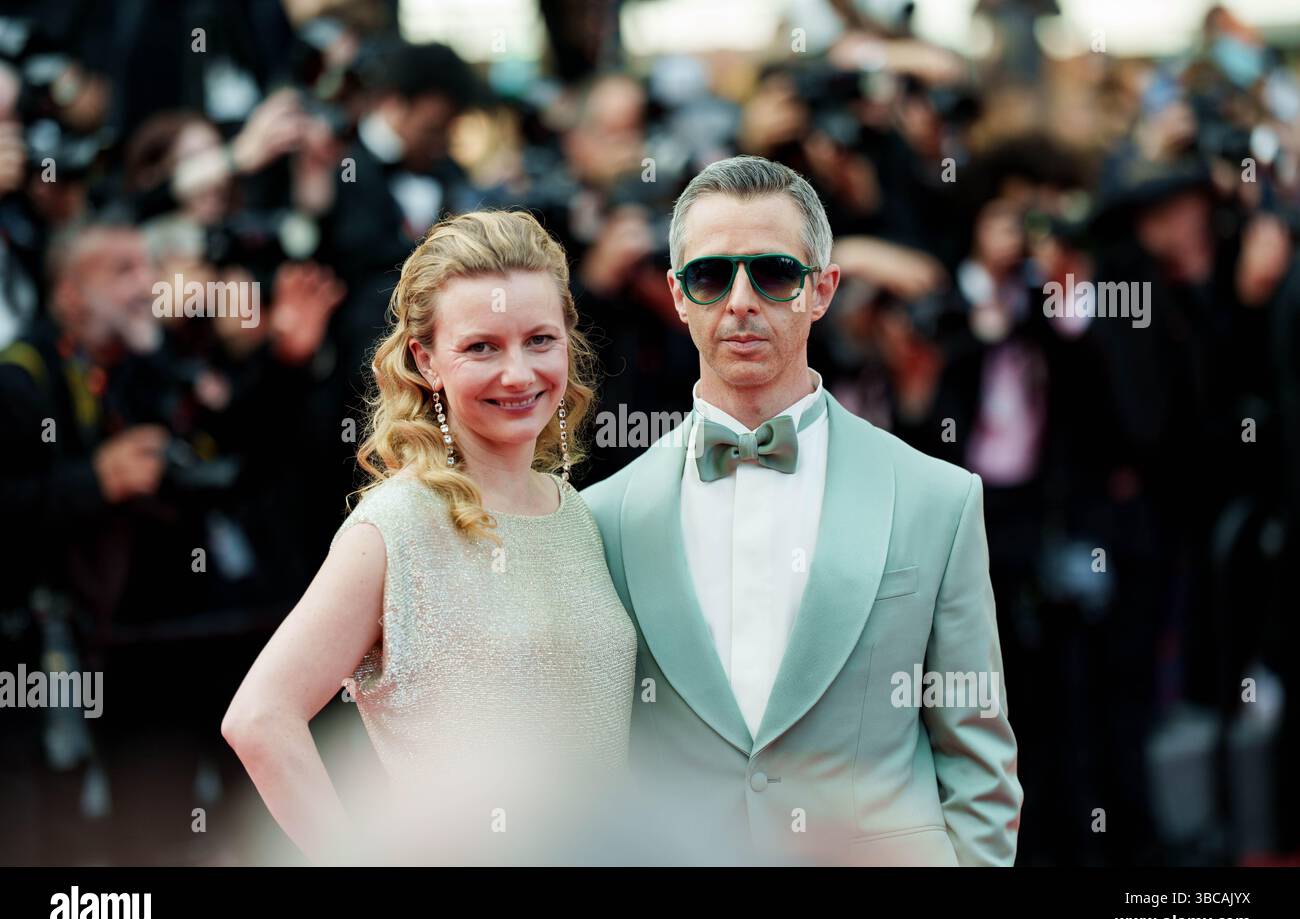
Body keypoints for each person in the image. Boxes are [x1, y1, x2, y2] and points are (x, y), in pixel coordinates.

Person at [581, 155, 1023, 865]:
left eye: (775, 273)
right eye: (711, 275)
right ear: (677, 295)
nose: (742, 300)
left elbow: (978, 756)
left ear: (822, 291)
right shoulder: (600, 518)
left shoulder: (936, 498)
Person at [221, 210, 637, 864]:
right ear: (426, 359)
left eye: (539, 340)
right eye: (482, 347)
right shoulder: (398, 525)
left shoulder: (580, 516)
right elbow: (259, 718)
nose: (519, 374)